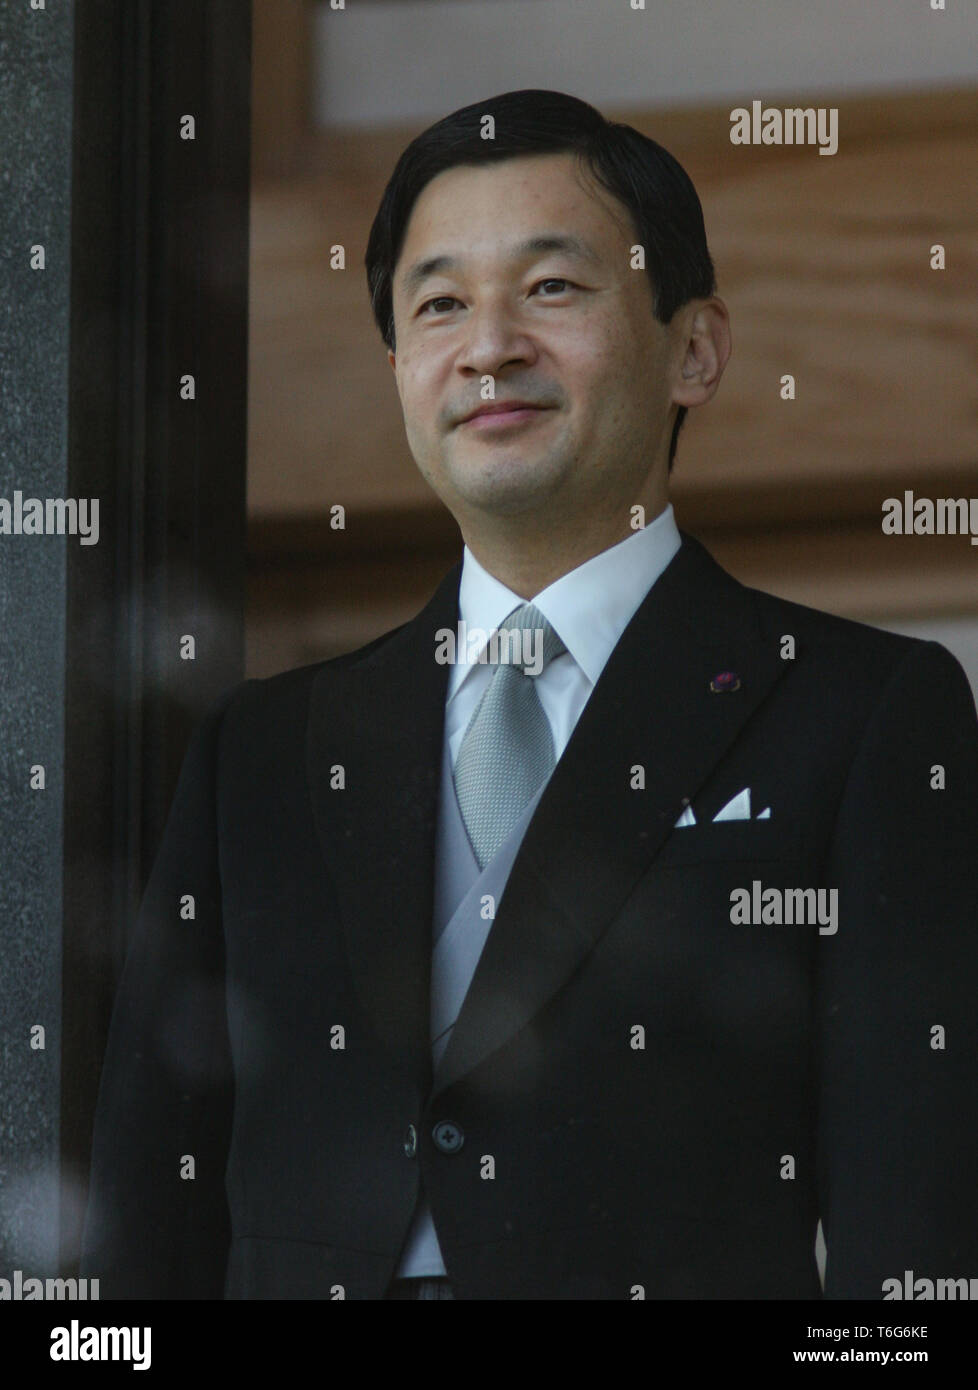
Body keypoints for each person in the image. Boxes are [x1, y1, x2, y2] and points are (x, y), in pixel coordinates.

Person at [81, 89, 978, 1300]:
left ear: (696, 349)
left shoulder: (869, 713)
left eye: (551, 288)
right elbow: (154, 1201)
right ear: (402, 371)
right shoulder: (264, 746)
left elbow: (915, 1203)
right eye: (440, 303)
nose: (488, 344)